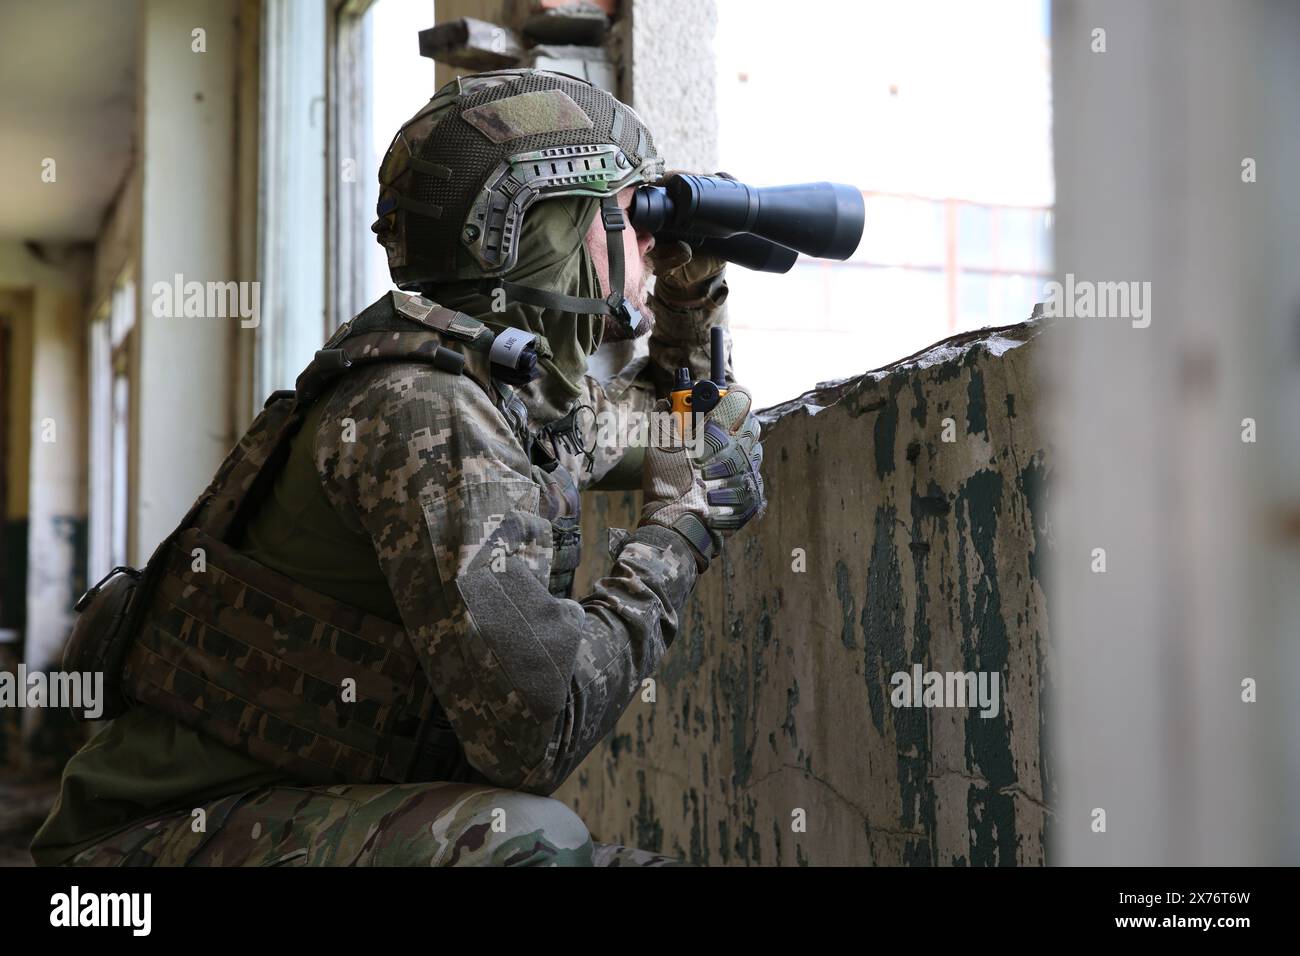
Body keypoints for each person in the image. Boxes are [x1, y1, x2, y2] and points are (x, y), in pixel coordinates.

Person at [32, 69, 766, 867]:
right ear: (543, 230)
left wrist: (689, 301)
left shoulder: (495, 386)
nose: (649, 241)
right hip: (145, 850)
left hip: (268, 807)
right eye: (628, 215)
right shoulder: (428, 410)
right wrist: (678, 534)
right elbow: (535, 732)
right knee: (522, 844)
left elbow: (672, 423)